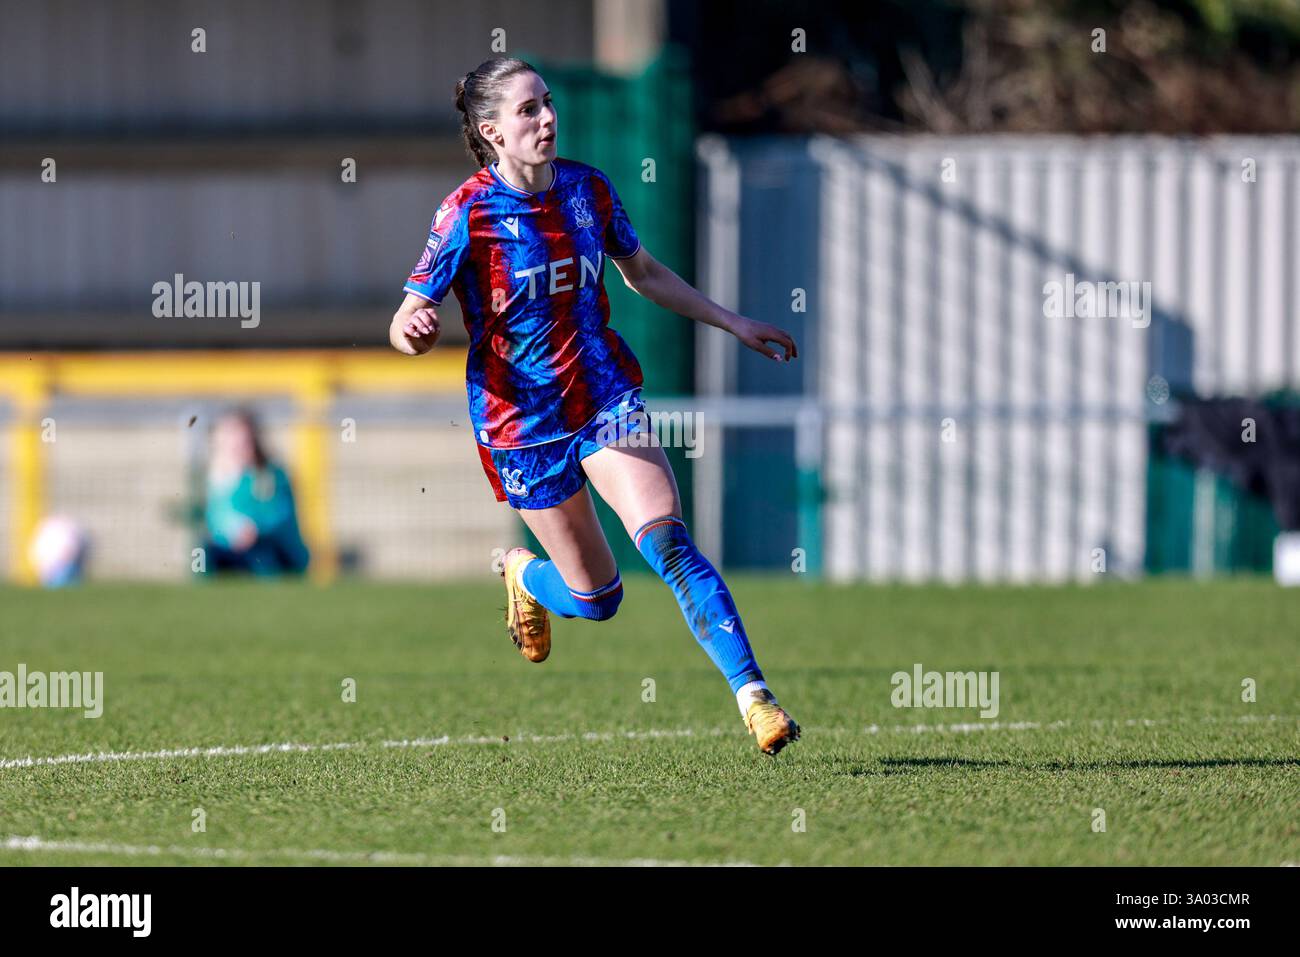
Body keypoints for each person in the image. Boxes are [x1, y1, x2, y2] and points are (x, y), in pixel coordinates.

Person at [389, 58, 801, 755]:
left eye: (547, 104)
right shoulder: (465, 213)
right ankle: (522, 573)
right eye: (528, 111)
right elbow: (406, 317)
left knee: (668, 541)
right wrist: (414, 332)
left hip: (602, 395)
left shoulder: (588, 189)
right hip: (520, 425)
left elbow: (641, 273)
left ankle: (755, 696)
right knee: (597, 599)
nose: (547, 118)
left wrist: (733, 322)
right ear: (491, 131)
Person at [201, 408, 310, 577]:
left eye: (241, 441)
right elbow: (215, 520)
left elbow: (280, 514)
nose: (235, 447)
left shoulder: (271, 475)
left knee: (261, 556)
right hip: (233, 548)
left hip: (275, 549)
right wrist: (232, 532)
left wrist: (253, 528)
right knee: (205, 554)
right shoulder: (218, 480)